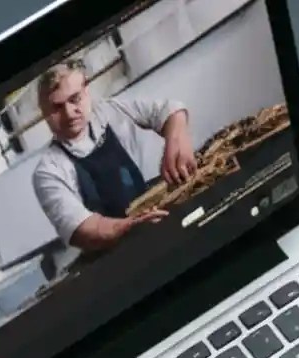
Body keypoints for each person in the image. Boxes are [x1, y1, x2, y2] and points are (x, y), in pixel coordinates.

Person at [31, 58, 197, 272]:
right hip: (115, 261)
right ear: (44, 113)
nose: (69, 113)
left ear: (86, 90)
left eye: (75, 99)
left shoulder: (109, 111)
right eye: (57, 107)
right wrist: (131, 226)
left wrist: (176, 140)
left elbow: (170, 110)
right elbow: (85, 230)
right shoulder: (48, 171)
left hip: (155, 224)